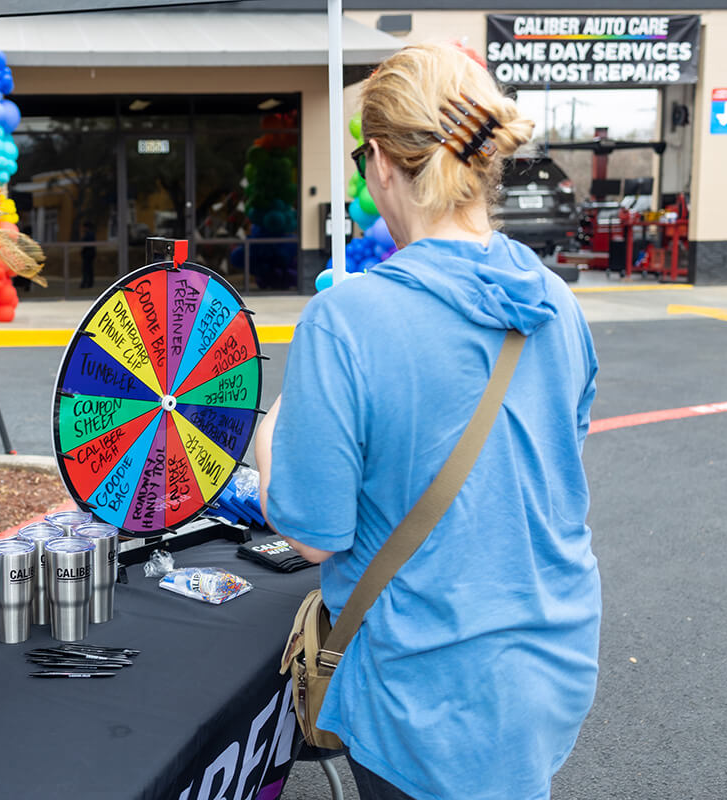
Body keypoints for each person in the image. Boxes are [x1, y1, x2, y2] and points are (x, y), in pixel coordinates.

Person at [255, 44, 600, 799]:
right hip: (551, 664)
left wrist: (270, 430)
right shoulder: (560, 305)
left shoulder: (347, 319)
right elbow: (542, 478)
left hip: (424, 690)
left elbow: (312, 533)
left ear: (378, 160)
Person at [79, 220, 96, 289]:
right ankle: (88, 283)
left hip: (88, 255)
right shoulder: (90, 234)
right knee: (89, 269)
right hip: (89, 254)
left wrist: (83, 252)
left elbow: (86, 245)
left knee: (86, 270)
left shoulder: (89, 234)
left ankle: (85, 283)